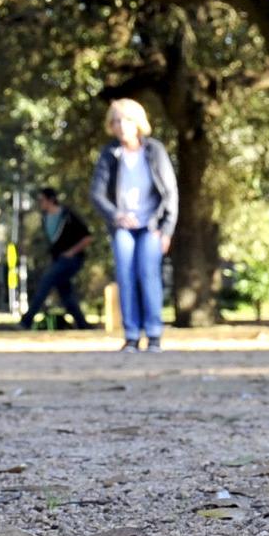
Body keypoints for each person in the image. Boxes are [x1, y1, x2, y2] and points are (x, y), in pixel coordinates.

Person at [89, 98, 178, 352]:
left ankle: (153, 334)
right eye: (115, 121)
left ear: (137, 122)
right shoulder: (110, 154)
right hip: (123, 227)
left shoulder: (154, 151)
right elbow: (96, 193)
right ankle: (130, 335)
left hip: (152, 225)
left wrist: (167, 229)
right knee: (125, 276)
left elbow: (170, 193)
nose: (120, 126)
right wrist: (116, 215)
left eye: (125, 120)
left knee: (148, 274)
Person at [20, 187, 93, 331]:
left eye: (42, 199)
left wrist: (71, 252)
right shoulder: (45, 217)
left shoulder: (68, 215)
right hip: (57, 260)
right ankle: (83, 325)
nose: (40, 203)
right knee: (66, 294)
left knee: (45, 283)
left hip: (71, 260)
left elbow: (88, 237)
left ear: (51, 199)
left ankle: (26, 322)